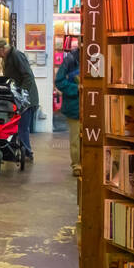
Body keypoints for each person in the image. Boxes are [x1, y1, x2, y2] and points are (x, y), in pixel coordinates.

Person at [0, 38, 37, 162]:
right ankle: (17, 152)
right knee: (17, 126)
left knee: (22, 127)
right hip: (19, 98)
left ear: (2, 49)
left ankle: (27, 153)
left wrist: (21, 93)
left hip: (26, 99)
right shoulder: (8, 58)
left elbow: (28, 76)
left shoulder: (16, 55)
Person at [55, 48, 81, 178]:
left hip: (94, 106)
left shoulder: (98, 56)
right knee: (76, 138)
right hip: (74, 106)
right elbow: (59, 81)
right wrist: (76, 88)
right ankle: (77, 165)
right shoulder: (70, 60)